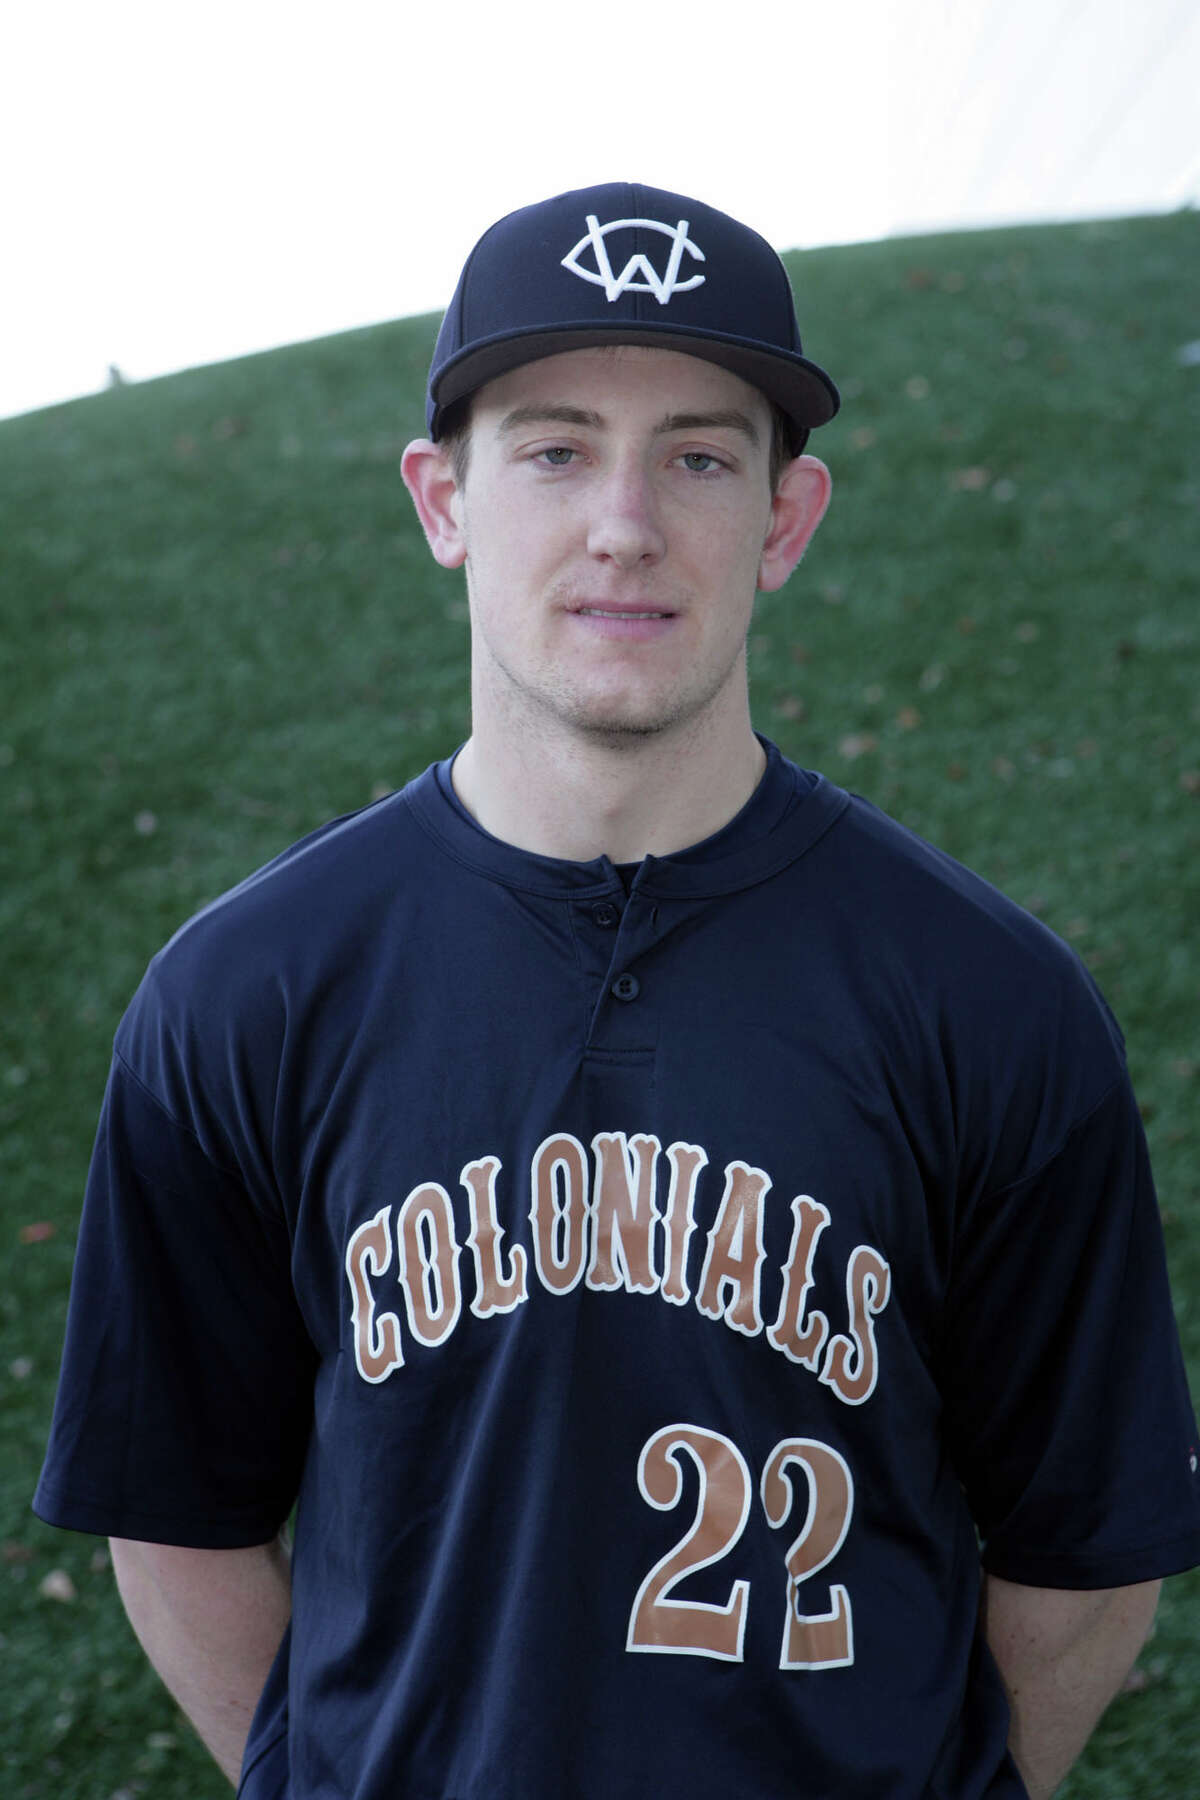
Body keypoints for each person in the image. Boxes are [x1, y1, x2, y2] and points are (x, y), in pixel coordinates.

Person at [35, 181, 1200, 1800]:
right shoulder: (244, 997)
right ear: (443, 498)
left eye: (702, 457)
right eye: (557, 447)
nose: (626, 525)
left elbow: (1084, 1564)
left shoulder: (989, 1006)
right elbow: (175, 1518)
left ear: (787, 520)